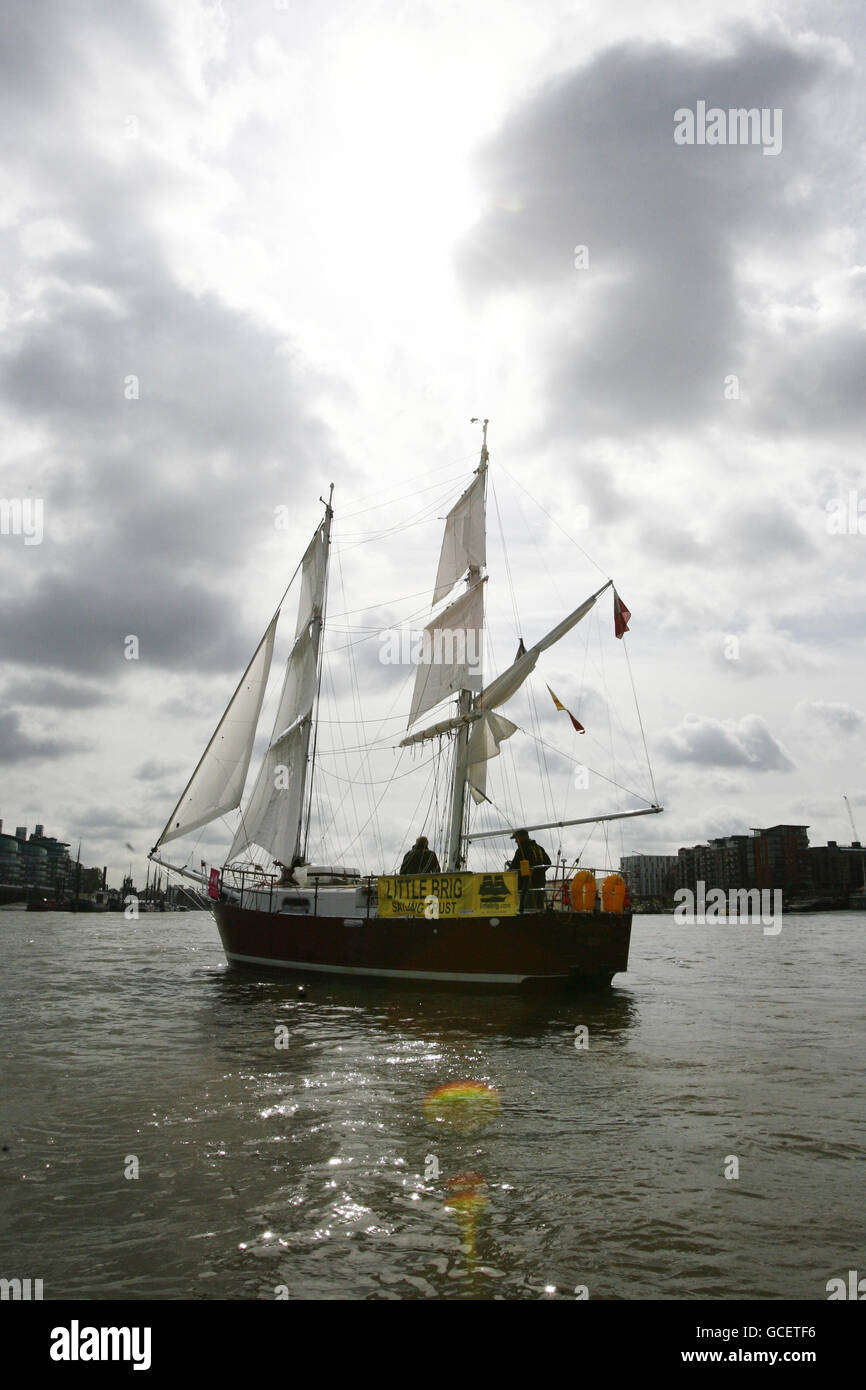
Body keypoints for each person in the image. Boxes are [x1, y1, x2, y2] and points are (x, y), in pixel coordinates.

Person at [507, 829, 551, 911]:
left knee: (527, 909)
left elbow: (513, 868)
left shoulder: (522, 850)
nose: (516, 841)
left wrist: (507, 872)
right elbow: (548, 862)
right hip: (541, 882)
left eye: (517, 839)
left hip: (527, 884)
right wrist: (539, 872)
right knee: (539, 908)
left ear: (523, 837)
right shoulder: (539, 848)